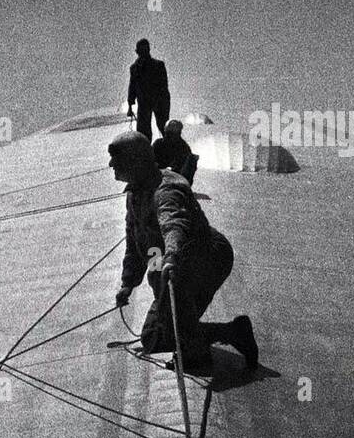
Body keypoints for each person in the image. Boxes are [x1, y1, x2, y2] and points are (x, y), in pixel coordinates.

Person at [109, 130, 257, 374]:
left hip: (204, 258)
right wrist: (128, 282)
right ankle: (230, 332)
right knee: (153, 338)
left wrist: (171, 257)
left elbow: (173, 224)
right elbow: (134, 242)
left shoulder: (165, 191)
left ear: (135, 162)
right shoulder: (135, 194)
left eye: (118, 160)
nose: (112, 165)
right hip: (171, 263)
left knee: (178, 331)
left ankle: (197, 354)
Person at [126, 39, 171, 140]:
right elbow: (132, 86)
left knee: (164, 128)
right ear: (137, 52)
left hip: (159, 101)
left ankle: (172, 150)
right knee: (143, 133)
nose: (143, 52)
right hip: (144, 103)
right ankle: (146, 153)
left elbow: (164, 85)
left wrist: (161, 101)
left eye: (144, 50)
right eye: (141, 50)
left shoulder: (158, 65)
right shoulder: (134, 68)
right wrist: (130, 103)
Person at [153, 119, 198, 183]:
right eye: (168, 133)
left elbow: (185, 166)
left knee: (192, 159)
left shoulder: (184, 147)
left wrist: (172, 170)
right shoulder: (158, 143)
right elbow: (150, 159)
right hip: (159, 176)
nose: (170, 137)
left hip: (176, 178)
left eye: (172, 134)